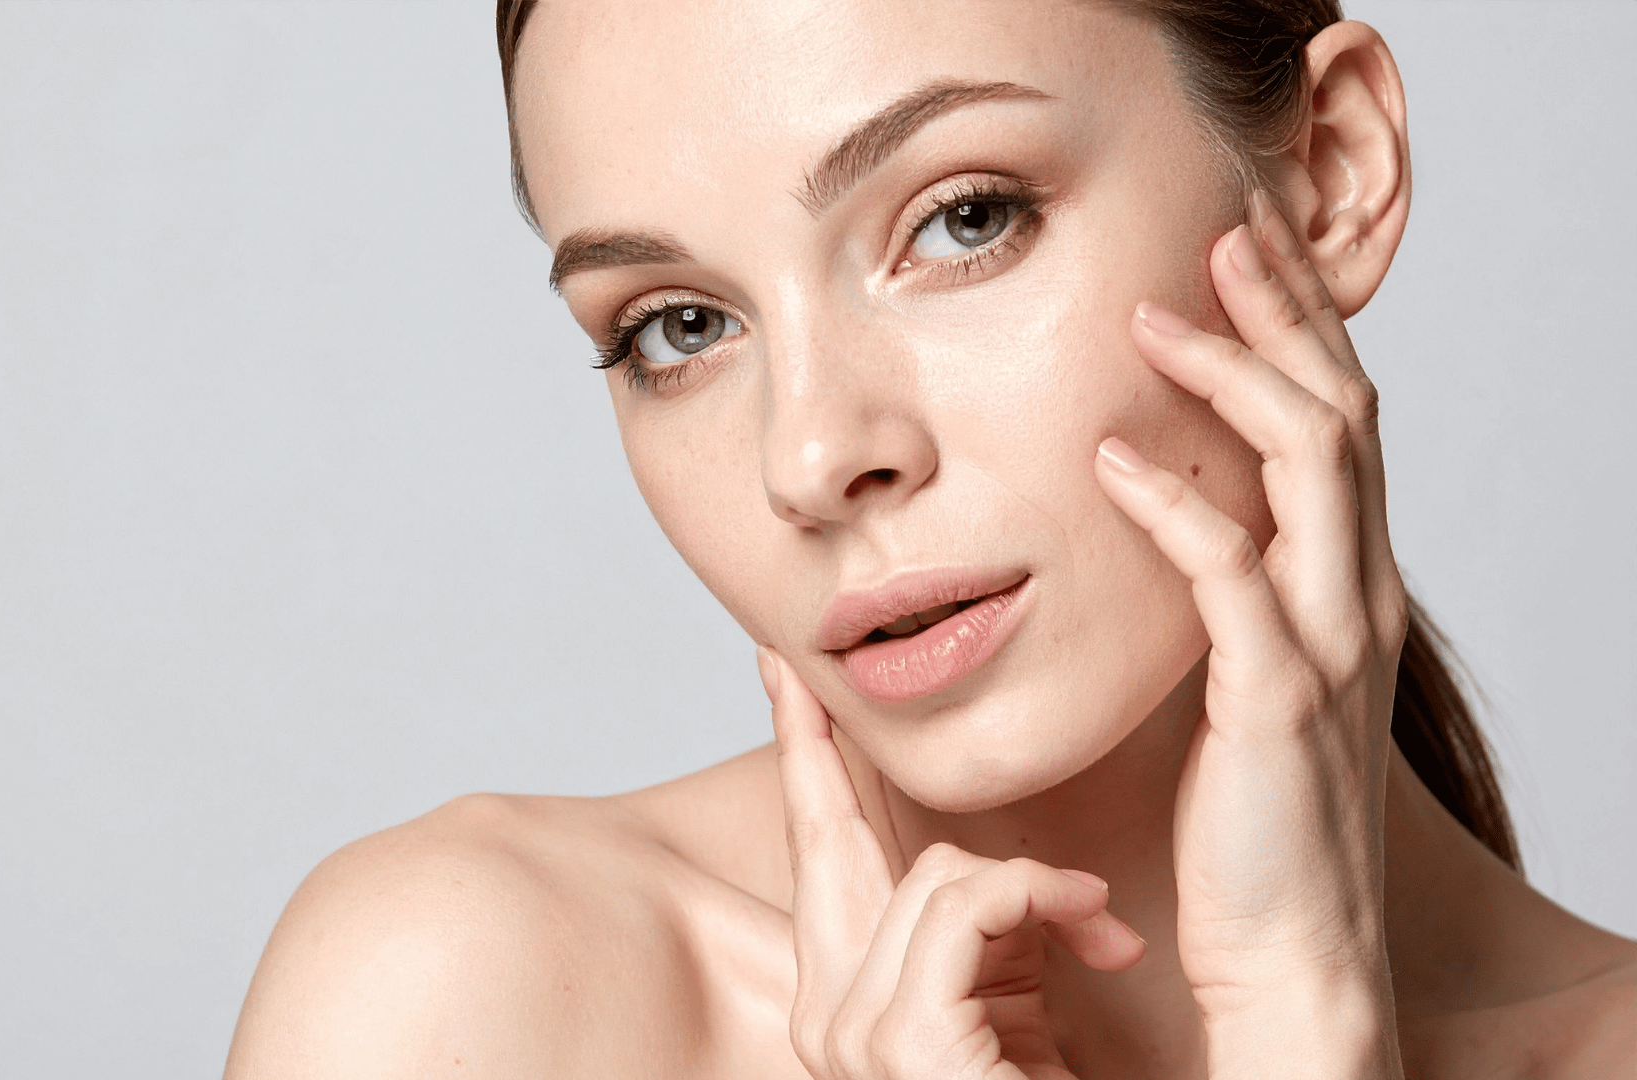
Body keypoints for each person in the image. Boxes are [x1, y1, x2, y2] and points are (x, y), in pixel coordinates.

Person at [223, 1, 1636, 1076]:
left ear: (1332, 172)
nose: (810, 458)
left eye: (964, 221)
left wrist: (1301, 1011)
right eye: (680, 327)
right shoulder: (464, 1002)